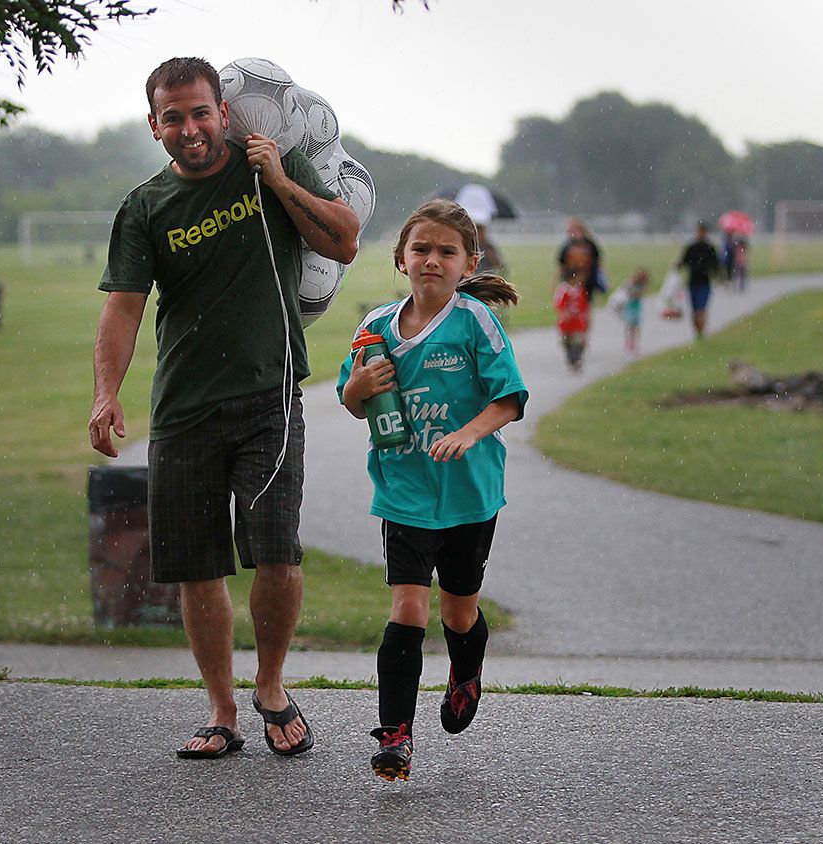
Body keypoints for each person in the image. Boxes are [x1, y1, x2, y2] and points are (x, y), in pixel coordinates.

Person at [88, 57, 359, 759]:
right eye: (173, 117)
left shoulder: (272, 161)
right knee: (196, 566)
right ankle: (222, 711)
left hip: (269, 397)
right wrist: (106, 393)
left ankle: (271, 687)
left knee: (275, 551)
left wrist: (277, 178)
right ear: (155, 126)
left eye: (200, 112)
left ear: (224, 112)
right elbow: (123, 307)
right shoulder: (145, 206)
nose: (189, 127)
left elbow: (343, 238)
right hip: (182, 410)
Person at [337, 199, 528, 782]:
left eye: (447, 251)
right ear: (400, 259)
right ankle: (395, 734)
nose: (432, 260)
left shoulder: (475, 321)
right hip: (405, 490)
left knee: (460, 612)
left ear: (468, 263)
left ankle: (466, 670)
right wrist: (360, 387)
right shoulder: (374, 328)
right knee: (408, 608)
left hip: (469, 492)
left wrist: (468, 434)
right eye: (421, 249)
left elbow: (510, 399)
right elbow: (351, 400)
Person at [552, 241, 592, 371]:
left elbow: (585, 306)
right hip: (566, 323)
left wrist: (586, 318)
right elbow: (558, 303)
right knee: (567, 343)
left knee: (578, 342)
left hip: (578, 322)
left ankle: (577, 361)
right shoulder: (564, 290)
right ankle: (571, 360)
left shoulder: (580, 291)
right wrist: (563, 313)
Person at [677, 221, 721, 338]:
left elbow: (715, 265)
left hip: (705, 283)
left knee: (701, 309)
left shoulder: (710, 248)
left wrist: (719, 277)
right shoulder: (691, 247)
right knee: (694, 309)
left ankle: (701, 332)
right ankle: (696, 331)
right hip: (692, 282)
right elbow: (683, 261)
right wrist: (677, 266)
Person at [557, 218, 606, 301]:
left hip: (588, 278)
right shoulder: (567, 245)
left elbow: (598, 260)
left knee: (585, 300)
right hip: (570, 277)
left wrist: (602, 275)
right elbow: (561, 264)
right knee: (570, 299)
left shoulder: (589, 245)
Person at [614, 268, 650, 354]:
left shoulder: (641, 286)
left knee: (635, 325)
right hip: (630, 307)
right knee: (630, 325)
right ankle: (629, 341)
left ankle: (634, 342)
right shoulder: (630, 283)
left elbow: (638, 294)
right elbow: (627, 290)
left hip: (636, 308)